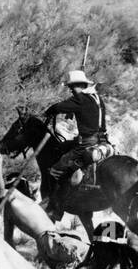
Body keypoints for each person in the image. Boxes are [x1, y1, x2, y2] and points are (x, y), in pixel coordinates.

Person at [40, 70, 113, 218]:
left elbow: (58, 107)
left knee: (57, 168)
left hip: (87, 143)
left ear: (80, 85)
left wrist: (47, 112)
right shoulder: (97, 98)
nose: (71, 90)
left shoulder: (81, 99)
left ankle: (57, 207)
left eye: (72, 87)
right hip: (103, 140)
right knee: (66, 146)